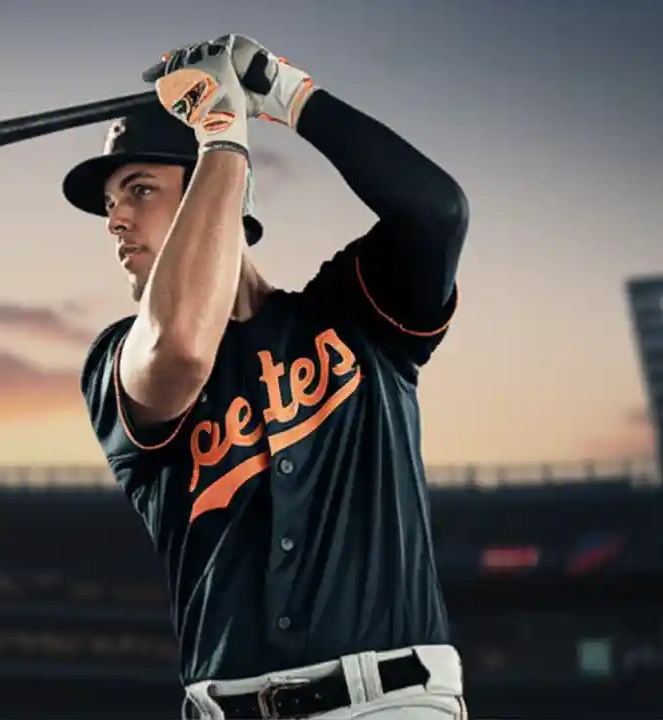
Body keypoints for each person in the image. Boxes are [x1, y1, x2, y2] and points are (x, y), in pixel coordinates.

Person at [67, 34, 469, 719]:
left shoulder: (356, 311)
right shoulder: (116, 360)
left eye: (139, 190)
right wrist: (223, 132)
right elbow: (181, 348)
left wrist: (285, 92)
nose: (117, 220)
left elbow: (438, 213)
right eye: (111, 204)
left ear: (220, 190)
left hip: (390, 703)